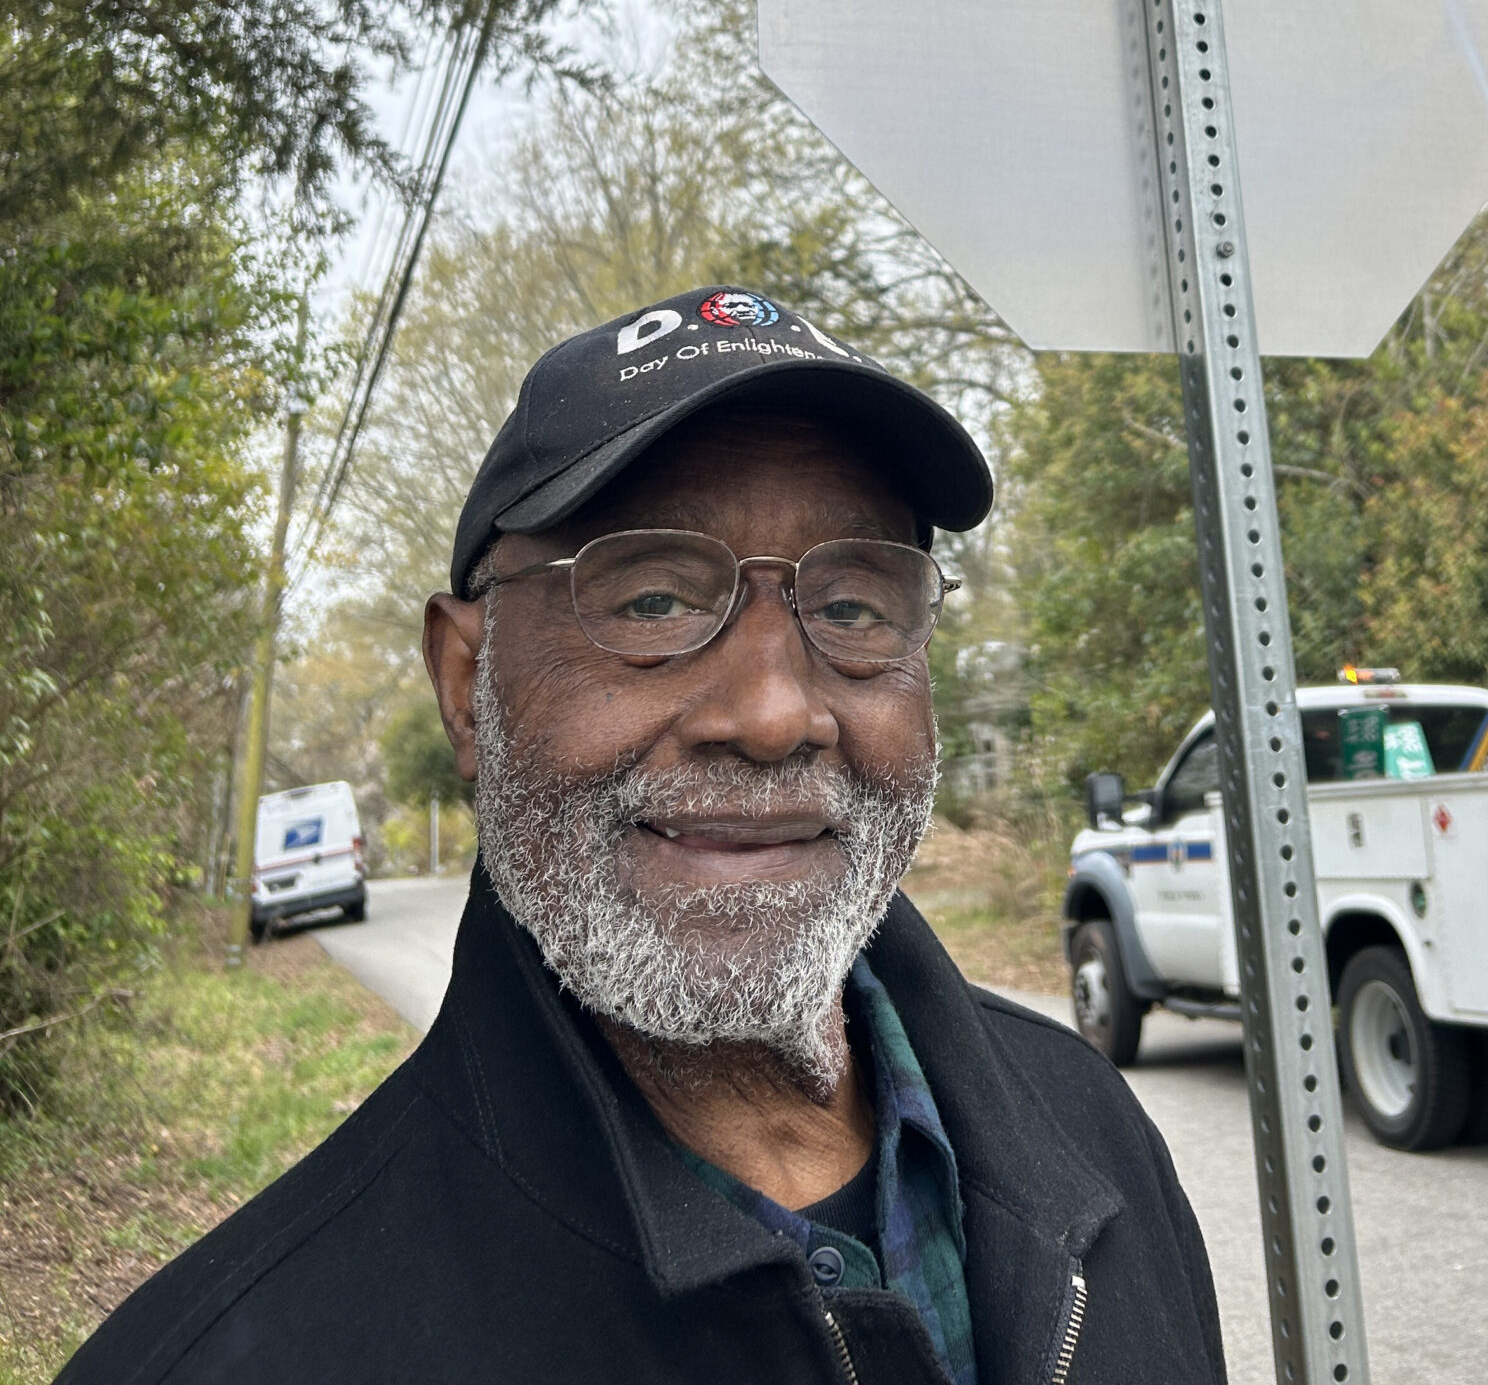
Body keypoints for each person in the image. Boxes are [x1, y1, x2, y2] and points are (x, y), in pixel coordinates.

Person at [64, 287, 1227, 1385]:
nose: (774, 714)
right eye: (654, 600)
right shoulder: (244, 1352)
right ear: (467, 683)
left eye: (852, 606)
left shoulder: (1092, 1135)